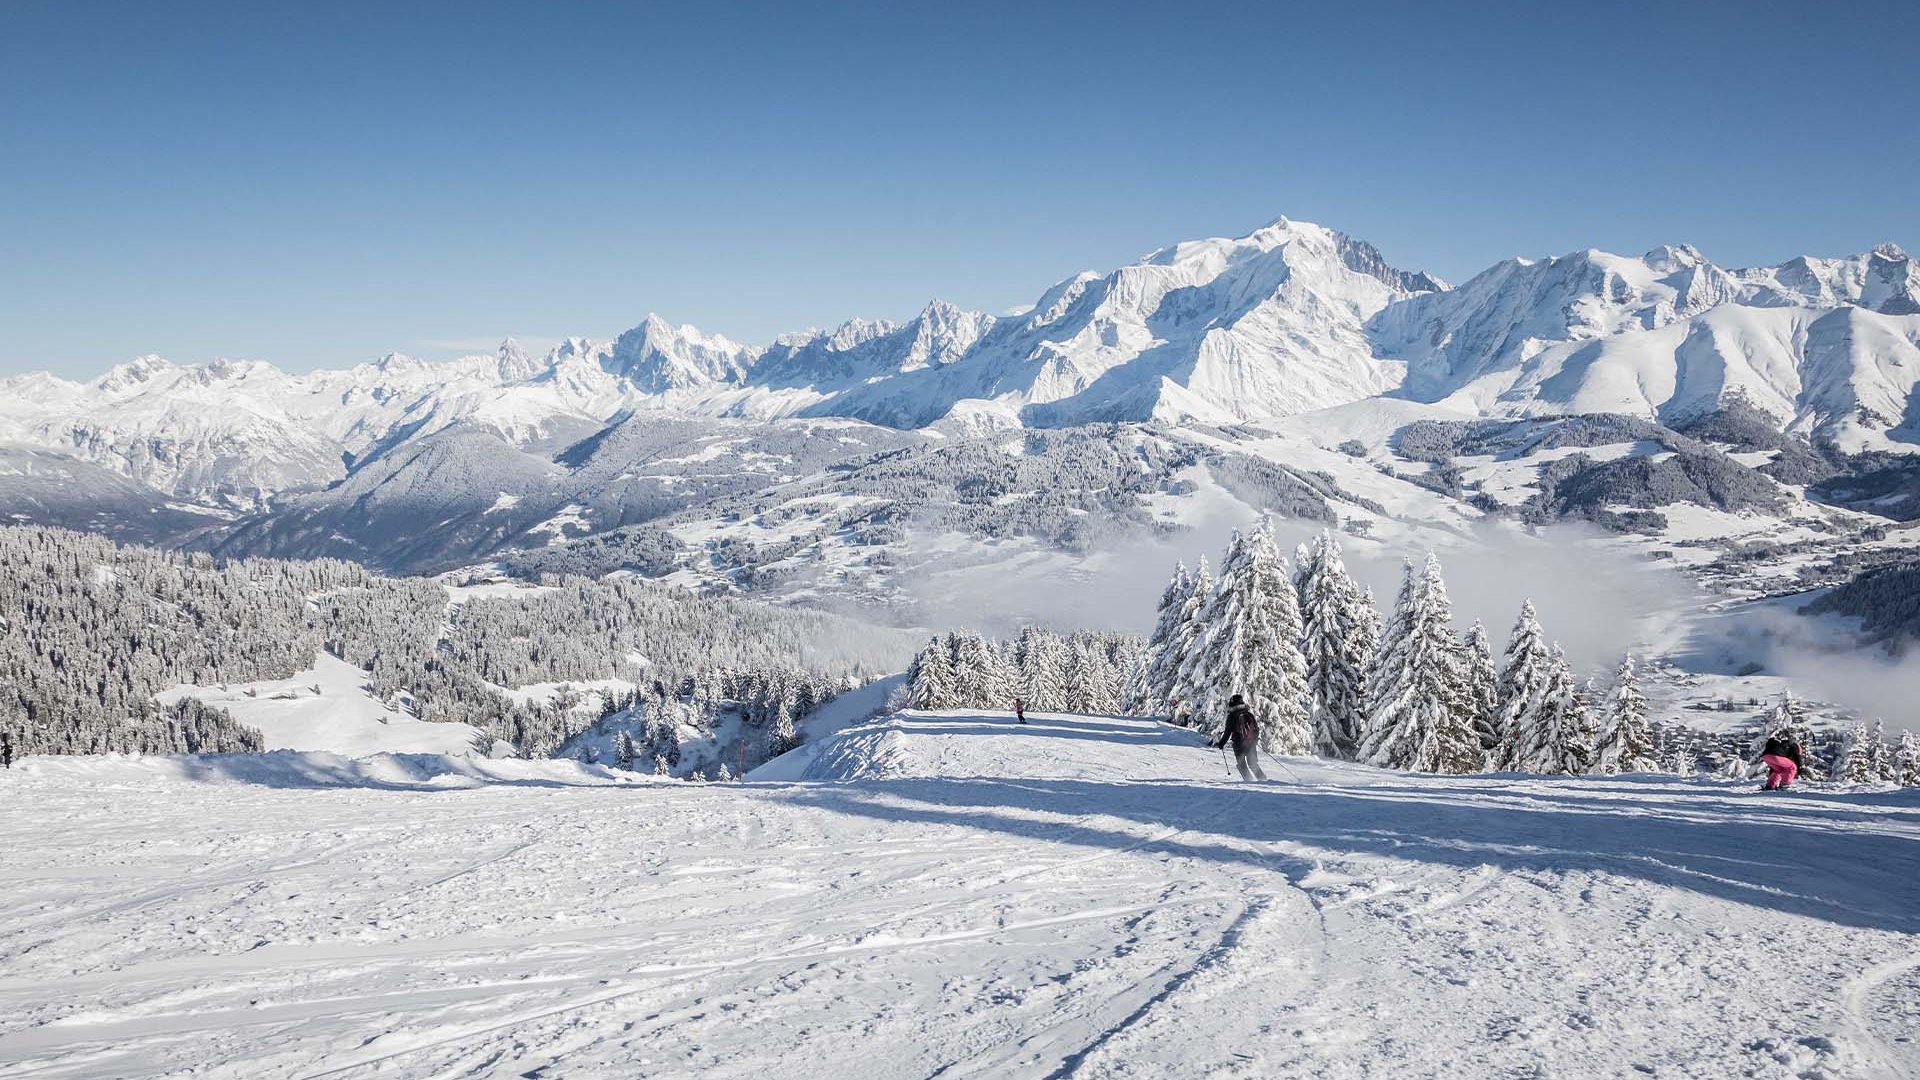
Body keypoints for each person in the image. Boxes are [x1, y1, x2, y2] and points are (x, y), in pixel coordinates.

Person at [1214, 694, 1266, 781]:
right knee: (1253, 764)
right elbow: (1256, 729)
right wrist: (1254, 740)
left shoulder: (1232, 716)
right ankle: (1263, 780)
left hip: (1238, 744)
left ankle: (1249, 781)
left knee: (1242, 764)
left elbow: (1227, 732)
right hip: (1251, 744)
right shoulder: (1249, 714)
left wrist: (1221, 744)